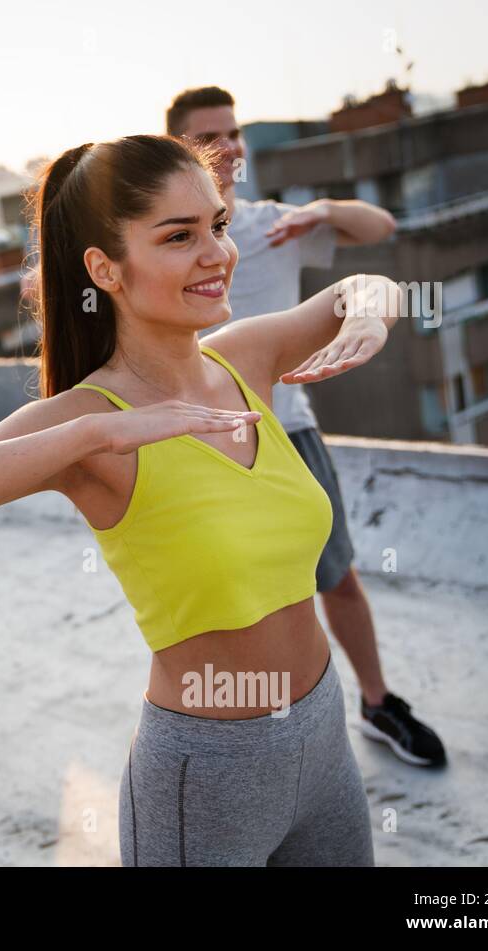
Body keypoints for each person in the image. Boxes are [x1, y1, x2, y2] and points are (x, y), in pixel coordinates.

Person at [0, 134, 398, 865]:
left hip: (324, 734)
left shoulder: (246, 358)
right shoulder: (88, 418)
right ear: (104, 268)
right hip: (204, 776)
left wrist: (370, 315)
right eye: (179, 236)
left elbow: (369, 285)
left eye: (218, 226)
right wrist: (93, 434)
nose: (218, 254)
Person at [166, 86, 446, 767]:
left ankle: (377, 703)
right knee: (241, 608)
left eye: (235, 134)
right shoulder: (160, 235)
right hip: (197, 442)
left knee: (337, 575)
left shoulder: (270, 223)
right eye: (210, 136)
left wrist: (320, 207)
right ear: (177, 147)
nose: (229, 147)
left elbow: (380, 228)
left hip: (289, 432)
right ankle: (264, 732)